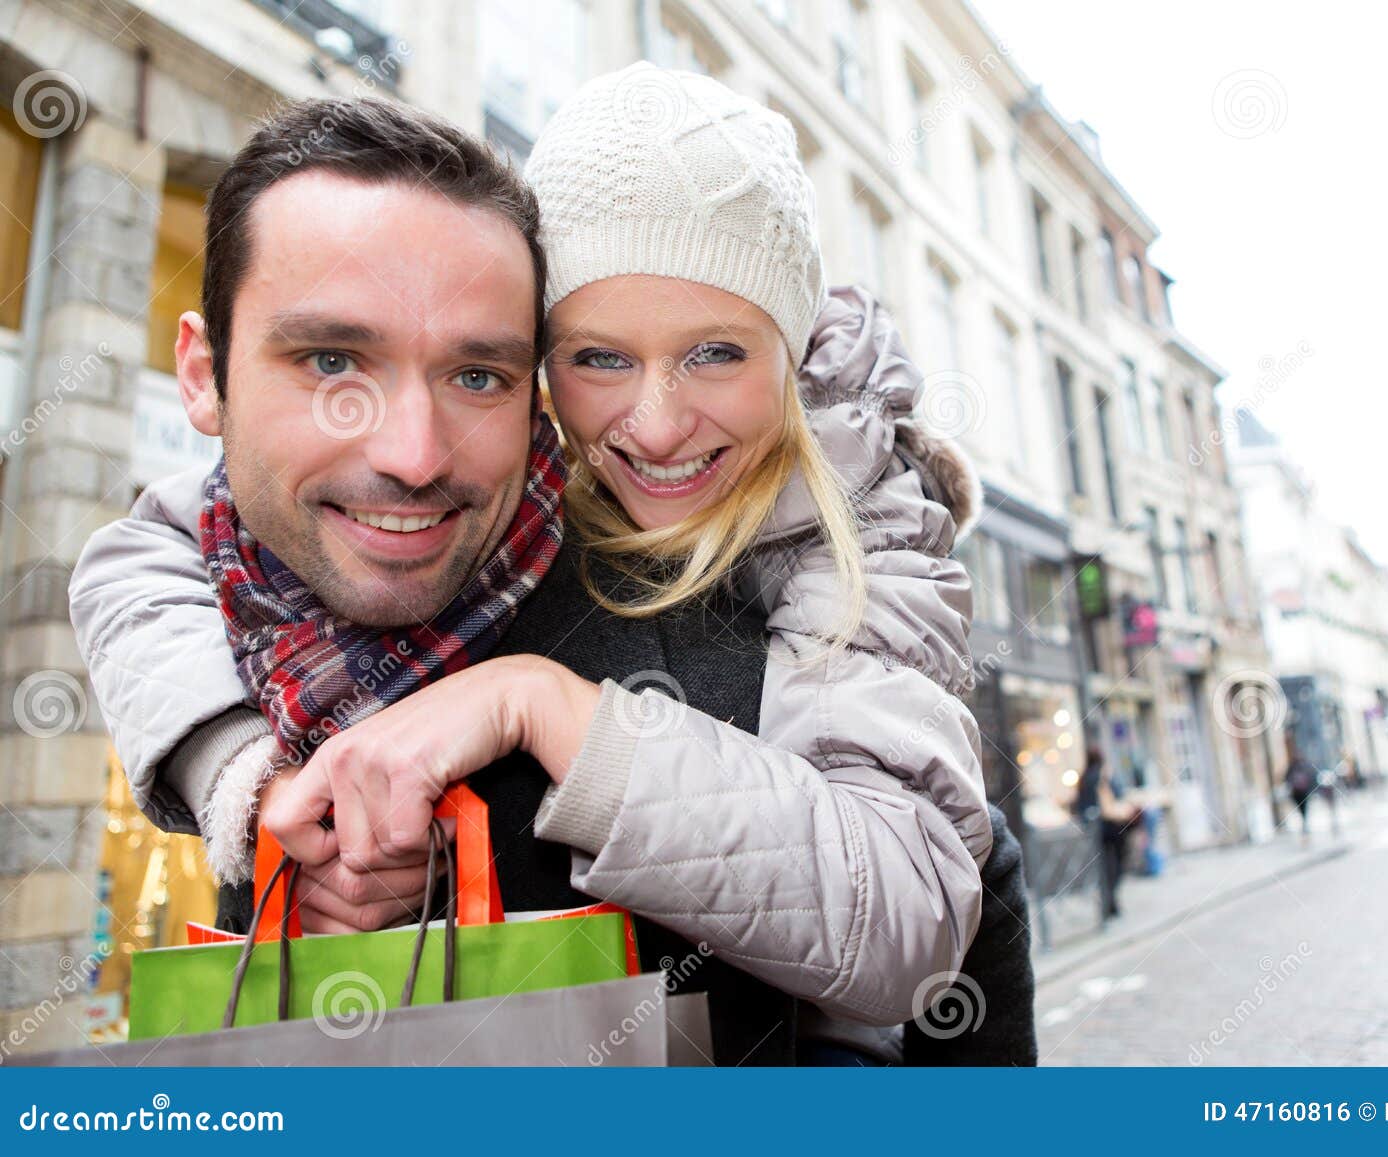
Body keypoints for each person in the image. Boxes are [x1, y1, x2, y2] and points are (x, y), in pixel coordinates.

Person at [68, 78, 1017, 1063]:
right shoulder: (456, 507)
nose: (652, 423)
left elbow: (915, 919)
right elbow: (139, 548)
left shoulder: (840, 557)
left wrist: (543, 705)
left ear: (791, 353)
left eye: (718, 353)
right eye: (598, 358)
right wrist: (245, 774)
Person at [1074, 746, 1135, 920]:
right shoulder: (1102, 776)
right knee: (1115, 864)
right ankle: (1111, 902)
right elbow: (1113, 800)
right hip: (1111, 826)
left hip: (1095, 830)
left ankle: (1109, 902)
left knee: (1105, 866)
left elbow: (1080, 806)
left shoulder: (1083, 778)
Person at [1285, 745, 1320, 841]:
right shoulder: (1299, 766)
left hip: (1300, 792)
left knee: (1303, 810)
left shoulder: (1295, 766)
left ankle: (1304, 824)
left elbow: (1287, 778)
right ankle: (1304, 824)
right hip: (1298, 793)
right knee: (1303, 810)